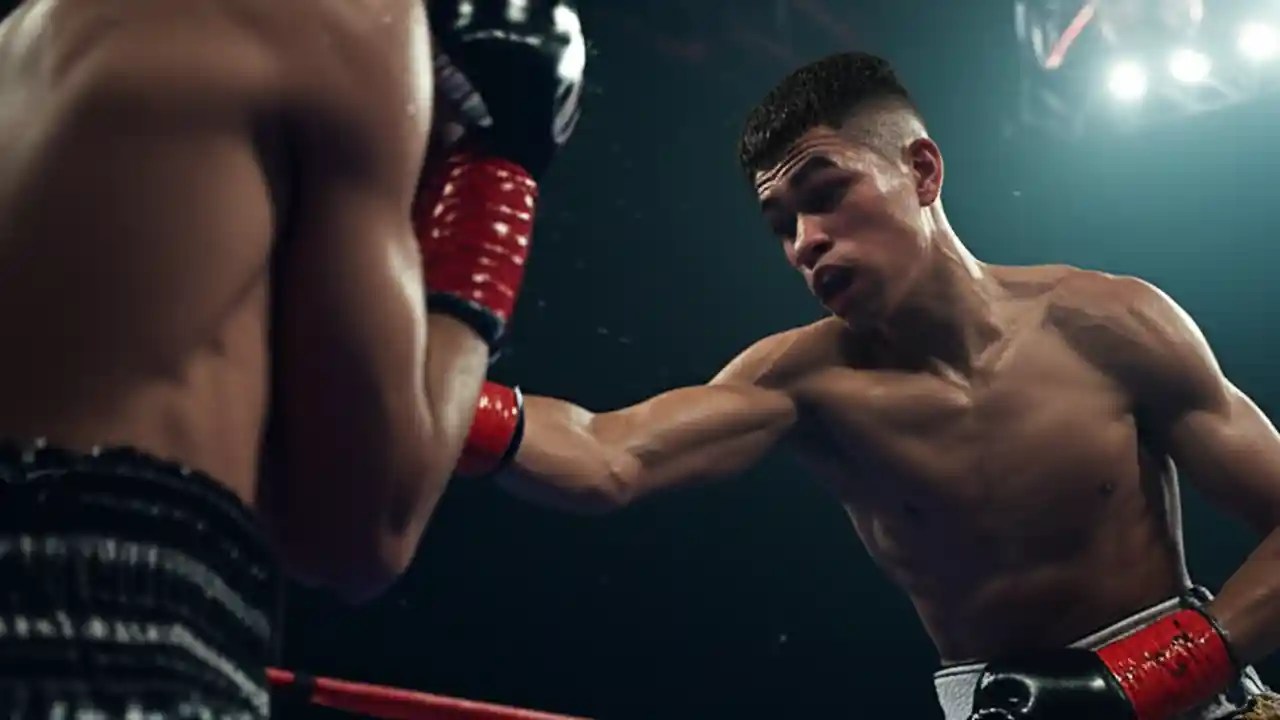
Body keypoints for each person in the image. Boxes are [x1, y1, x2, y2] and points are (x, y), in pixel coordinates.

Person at [465, 52, 1280, 720]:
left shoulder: (1108, 323)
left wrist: (1156, 672)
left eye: (825, 195)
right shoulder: (803, 385)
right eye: (781, 223)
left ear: (922, 170)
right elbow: (608, 457)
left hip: (1199, 700)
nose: (805, 242)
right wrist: (432, 400)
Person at [0, 0, 582, 717]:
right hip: (116, 628)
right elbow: (362, 534)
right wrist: (503, 176)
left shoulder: (27, 36)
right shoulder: (348, 19)